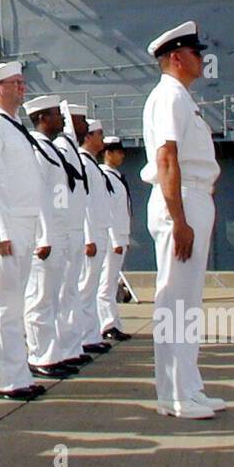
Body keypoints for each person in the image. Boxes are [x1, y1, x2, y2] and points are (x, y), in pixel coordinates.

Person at [141, 20, 225, 420]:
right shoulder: (169, 97)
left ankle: (189, 386)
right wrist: (179, 219)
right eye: (195, 53)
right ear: (176, 57)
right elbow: (167, 158)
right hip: (182, 201)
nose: (201, 58)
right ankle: (173, 395)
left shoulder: (182, 98)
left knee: (188, 302)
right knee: (175, 300)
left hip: (193, 197)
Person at [0, 62, 47, 401]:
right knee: (2, 304)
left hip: (23, 222)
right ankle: (2, 377)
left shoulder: (13, 126)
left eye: (21, 82)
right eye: (14, 83)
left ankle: (18, 373)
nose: (22, 87)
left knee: (14, 304)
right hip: (7, 227)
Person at [24, 95, 85, 373]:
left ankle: (56, 352)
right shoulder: (37, 149)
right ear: (43, 118)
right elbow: (35, 194)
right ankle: (41, 357)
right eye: (57, 115)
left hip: (61, 230)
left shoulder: (52, 150)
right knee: (40, 299)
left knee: (55, 297)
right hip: (48, 235)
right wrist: (43, 236)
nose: (62, 119)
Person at [55, 103, 108, 357]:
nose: (85, 125)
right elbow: (63, 195)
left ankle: (84, 339)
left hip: (84, 230)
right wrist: (86, 236)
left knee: (80, 291)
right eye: (81, 120)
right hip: (78, 231)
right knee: (76, 290)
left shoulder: (80, 157)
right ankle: (73, 344)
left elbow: (83, 198)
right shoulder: (70, 154)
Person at [74, 119, 115, 353]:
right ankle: (82, 337)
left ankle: (90, 334)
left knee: (91, 288)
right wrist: (89, 237)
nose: (102, 138)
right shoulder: (85, 164)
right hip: (92, 233)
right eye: (99, 133)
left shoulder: (92, 164)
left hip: (100, 230)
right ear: (88, 137)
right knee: (85, 288)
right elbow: (85, 204)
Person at [98, 136, 134, 341]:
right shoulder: (105, 176)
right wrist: (114, 239)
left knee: (111, 283)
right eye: (117, 151)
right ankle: (107, 324)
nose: (121, 155)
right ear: (107, 153)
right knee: (106, 284)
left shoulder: (116, 176)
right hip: (112, 237)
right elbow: (107, 210)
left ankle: (113, 322)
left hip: (120, 235)